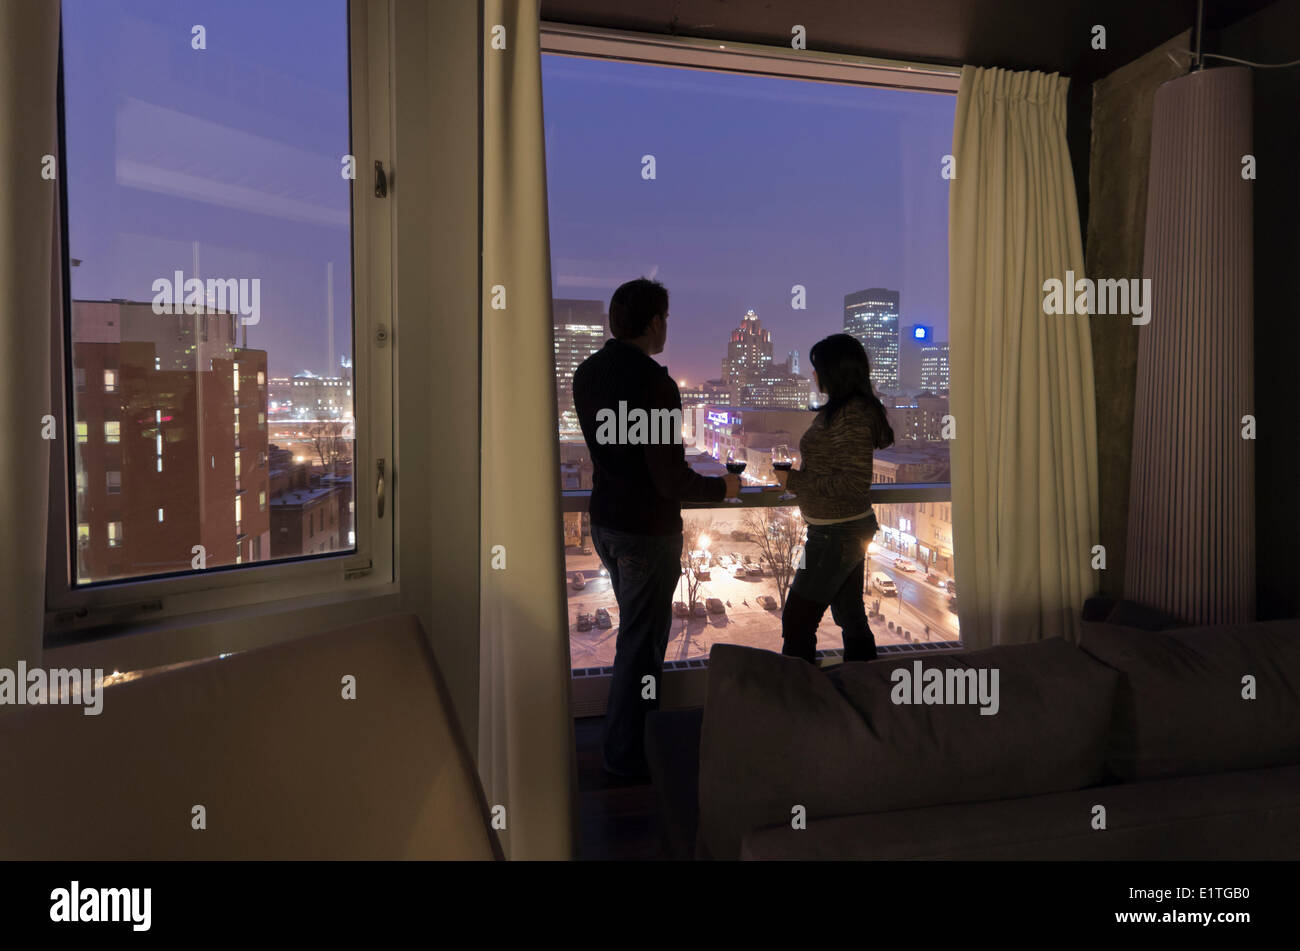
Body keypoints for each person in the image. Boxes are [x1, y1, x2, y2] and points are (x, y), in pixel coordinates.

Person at [573, 277, 741, 777]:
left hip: (605, 522)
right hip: (646, 530)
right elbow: (668, 478)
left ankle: (625, 746)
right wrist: (722, 490)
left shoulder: (587, 375)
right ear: (653, 322)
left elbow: (620, 455)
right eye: (665, 318)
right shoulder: (655, 385)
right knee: (641, 648)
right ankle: (628, 757)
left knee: (635, 639)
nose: (667, 327)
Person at [770, 333, 894, 663]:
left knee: (797, 619)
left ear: (835, 371)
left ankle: (801, 699)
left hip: (836, 534)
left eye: (817, 367)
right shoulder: (843, 410)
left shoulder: (852, 414)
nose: (813, 375)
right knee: (851, 617)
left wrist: (794, 480)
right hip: (838, 530)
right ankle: (865, 690)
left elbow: (853, 482)